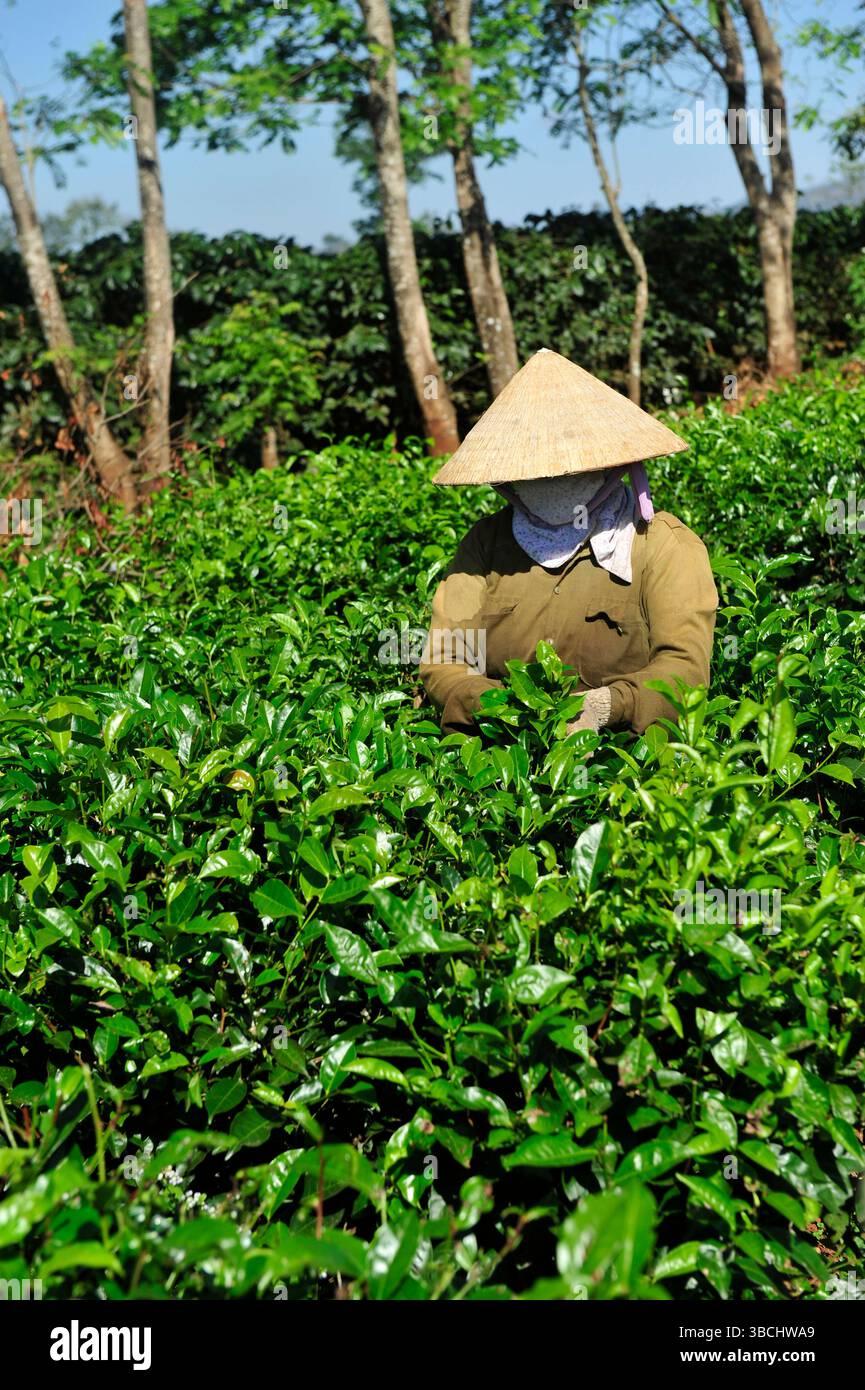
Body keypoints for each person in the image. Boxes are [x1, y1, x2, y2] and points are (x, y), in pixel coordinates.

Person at [419, 348, 718, 737]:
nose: (552, 483)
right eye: (536, 475)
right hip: (503, 764)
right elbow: (445, 661)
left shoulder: (662, 545)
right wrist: (503, 708)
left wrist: (609, 706)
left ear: (609, 466)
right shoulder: (485, 544)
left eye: (569, 471)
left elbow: (685, 669)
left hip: (628, 768)